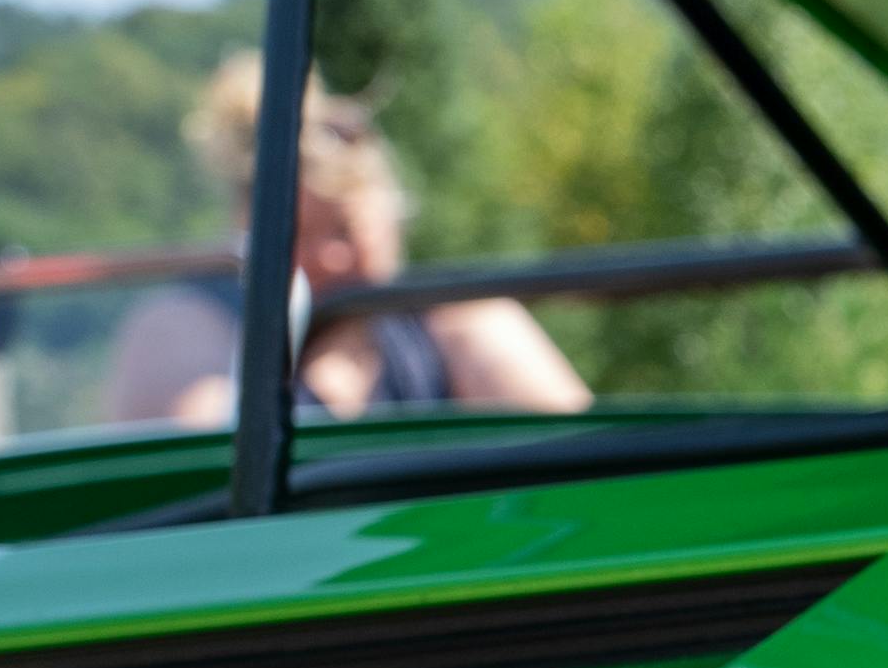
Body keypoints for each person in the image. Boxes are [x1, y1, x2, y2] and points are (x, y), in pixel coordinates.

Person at [102, 57, 594, 430]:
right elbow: (200, 464)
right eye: (296, 236)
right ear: (246, 233)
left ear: (391, 218)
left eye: (344, 230)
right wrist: (327, 383)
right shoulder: (187, 321)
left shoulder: (456, 318)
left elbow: (565, 449)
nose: (328, 257)